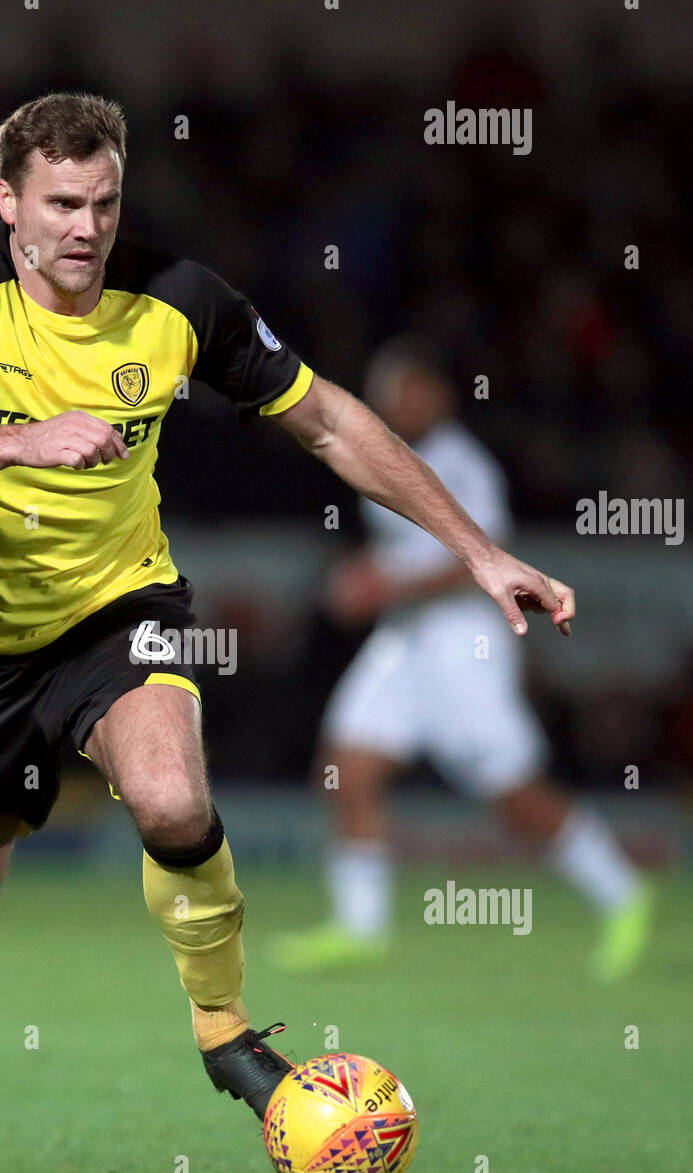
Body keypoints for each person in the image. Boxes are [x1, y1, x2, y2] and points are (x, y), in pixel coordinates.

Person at [0, 94, 574, 1173]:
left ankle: (227, 1038)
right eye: (61, 204)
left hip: (114, 612)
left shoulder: (179, 299)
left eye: (105, 202)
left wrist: (473, 549)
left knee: (172, 800)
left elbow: (323, 420)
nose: (85, 227)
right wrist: (17, 442)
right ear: (8, 201)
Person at [272, 338, 650, 980]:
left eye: (410, 388)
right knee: (348, 768)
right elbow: (405, 555)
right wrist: (371, 576)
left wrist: (381, 584)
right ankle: (360, 927)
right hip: (407, 641)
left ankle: (623, 895)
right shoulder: (389, 455)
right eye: (387, 390)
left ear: (440, 395)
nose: (397, 401)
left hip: (463, 643)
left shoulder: (460, 461)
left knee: (513, 795)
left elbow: (481, 558)